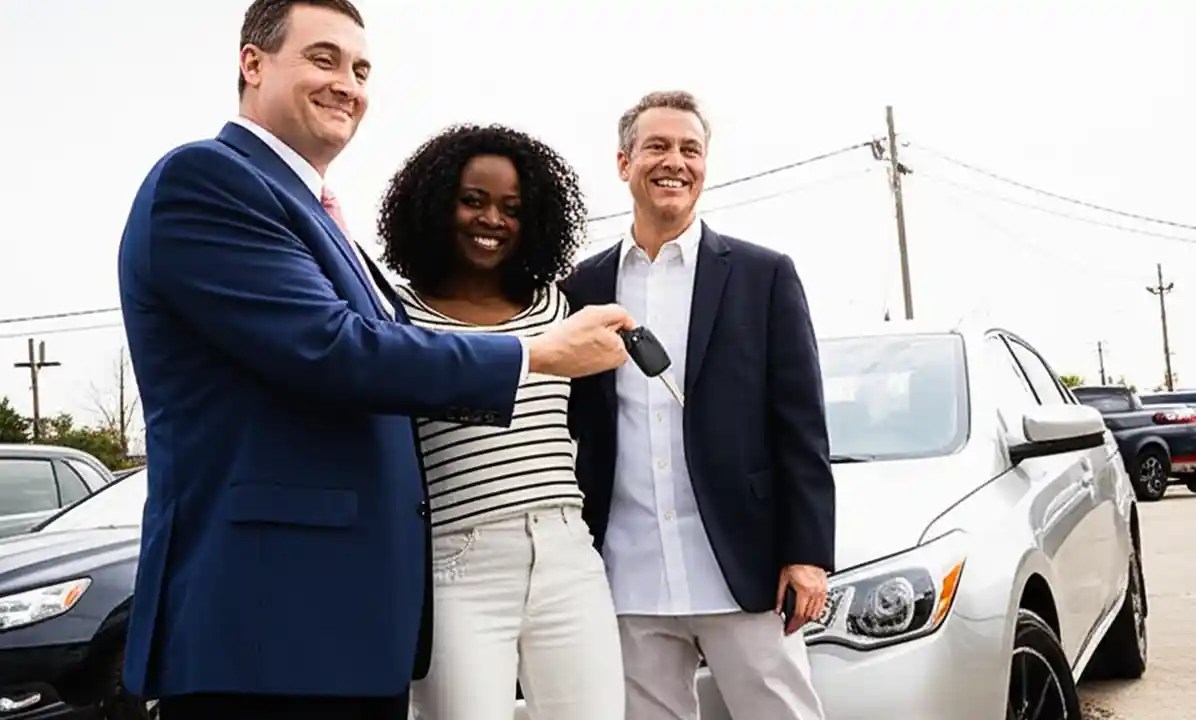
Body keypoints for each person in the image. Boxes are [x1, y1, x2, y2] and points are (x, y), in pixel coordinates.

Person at [116, 2, 634, 718]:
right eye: (323, 58)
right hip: (267, 628)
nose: (348, 84)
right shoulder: (206, 180)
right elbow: (333, 348)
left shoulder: (317, 216)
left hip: (345, 629)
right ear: (252, 63)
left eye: (361, 70)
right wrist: (535, 354)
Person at [562, 90, 836, 720]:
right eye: (657, 146)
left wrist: (808, 553)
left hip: (743, 563)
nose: (675, 162)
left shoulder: (764, 275)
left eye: (690, 149)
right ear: (624, 162)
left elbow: (802, 426)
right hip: (627, 569)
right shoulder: (582, 286)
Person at [376, 124, 625, 720]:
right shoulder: (394, 314)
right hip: (456, 564)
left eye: (512, 208)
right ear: (437, 204)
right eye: (473, 200)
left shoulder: (556, 305)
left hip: (568, 553)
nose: (493, 219)